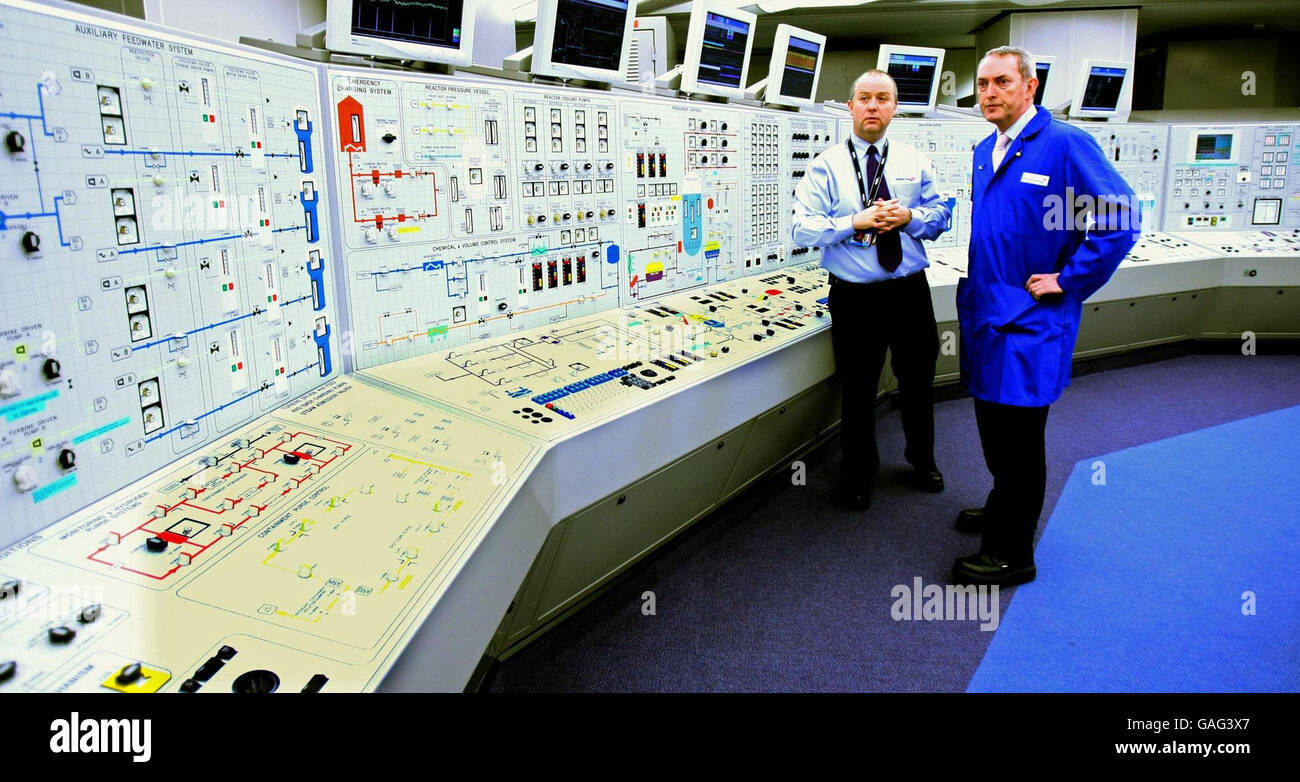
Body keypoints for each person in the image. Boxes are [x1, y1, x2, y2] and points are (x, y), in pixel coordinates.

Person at [953, 46, 1139, 585]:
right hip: (988, 312)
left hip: (1033, 319)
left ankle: (1012, 554)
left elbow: (1121, 218)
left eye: (1002, 82)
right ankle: (1000, 508)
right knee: (992, 425)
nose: (990, 93)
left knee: (1019, 440)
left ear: (1029, 87)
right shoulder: (985, 150)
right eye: (983, 84)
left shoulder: (1064, 144)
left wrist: (1069, 279)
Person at [792, 70, 953, 511]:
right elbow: (801, 227)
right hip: (855, 296)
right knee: (858, 390)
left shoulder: (915, 159)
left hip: (908, 291)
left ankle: (922, 461)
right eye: (864, 97)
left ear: (895, 107)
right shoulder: (826, 165)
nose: (873, 106)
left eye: (883, 98)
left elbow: (942, 215)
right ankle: (857, 474)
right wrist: (854, 222)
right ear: (850, 106)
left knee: (918, 381)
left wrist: (910, 219)